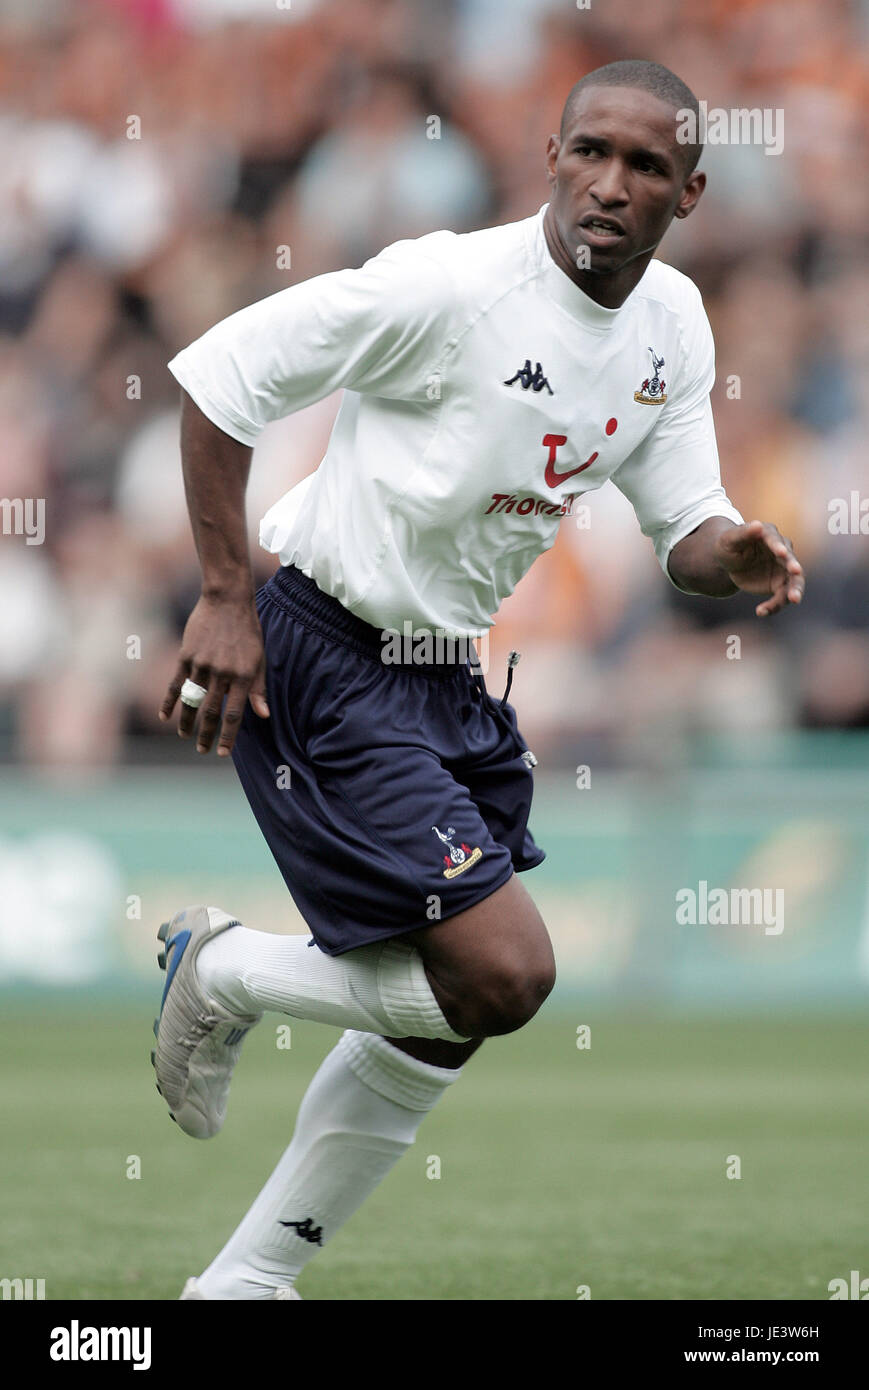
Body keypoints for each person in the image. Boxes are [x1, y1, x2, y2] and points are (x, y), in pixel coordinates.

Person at [154, 59, 805, 1300]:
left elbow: (683, 520)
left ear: (691, 192)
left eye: (645, 167)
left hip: (445, 676)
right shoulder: (449, 285)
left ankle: (241, 1283)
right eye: (589, 153)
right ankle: (225, 966)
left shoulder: (670, 323)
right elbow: (219, 378)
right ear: (550, 154)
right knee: (505, 975)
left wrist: (733, 552)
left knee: (449, 1013)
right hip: (323, 650)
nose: (609, 185)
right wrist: (225, 596)